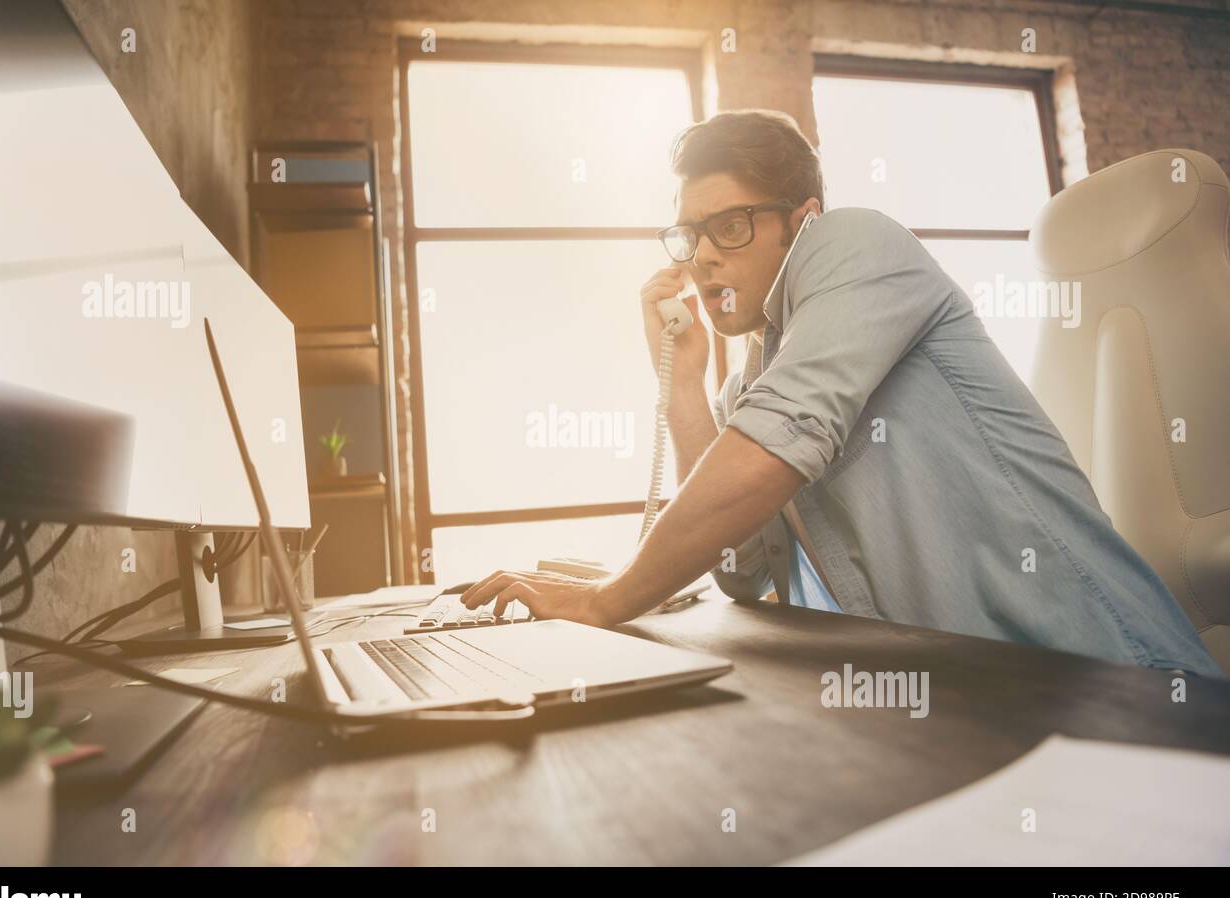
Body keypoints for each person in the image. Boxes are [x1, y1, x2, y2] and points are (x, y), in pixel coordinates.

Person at [460, 108, 1222, 678]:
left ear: (804, 223)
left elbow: (772, 453)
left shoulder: (859, 244)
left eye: (730, 226)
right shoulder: (753, 375)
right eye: (689, 235)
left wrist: (609, 599)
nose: (700, 259)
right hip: (968, 701)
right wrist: (684, 385)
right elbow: (743, 573)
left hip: (1108, 680)